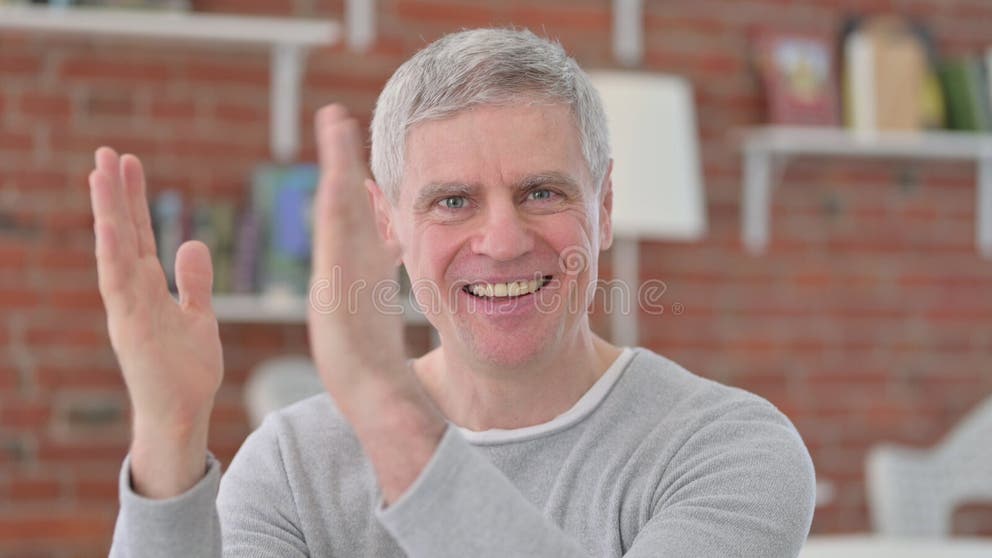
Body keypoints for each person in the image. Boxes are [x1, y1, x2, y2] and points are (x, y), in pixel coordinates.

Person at [95, 28, 815, 557]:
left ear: (604, 211)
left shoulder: (729, 450)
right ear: (388, 225)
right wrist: (172, 435)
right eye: (452, 202)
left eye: (541, 191)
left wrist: (388, 414)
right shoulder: (296, 461)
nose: (501, 241)